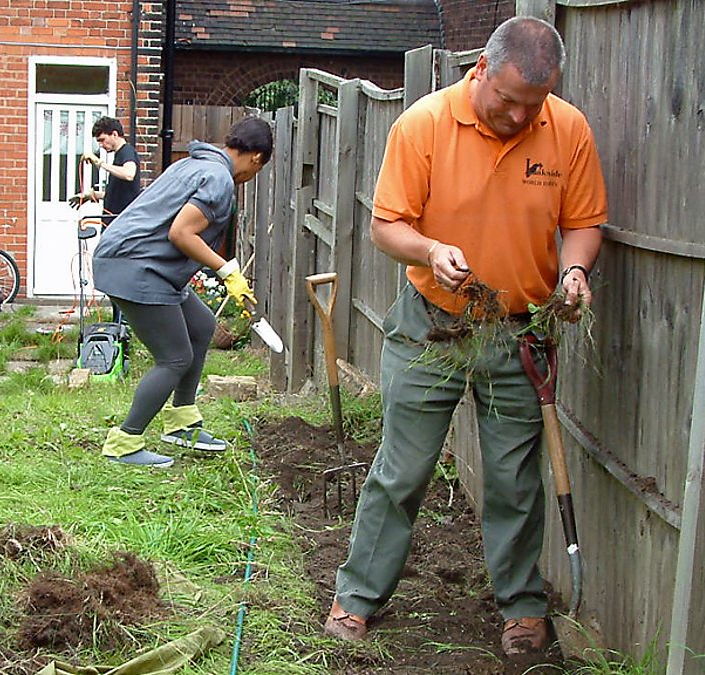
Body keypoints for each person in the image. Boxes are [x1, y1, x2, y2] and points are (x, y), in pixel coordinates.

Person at [323, 16, 607, 656]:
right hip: (433, 325)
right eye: (506, 99)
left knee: (514, 479)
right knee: (403, 468)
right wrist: (429, 248)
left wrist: (575, 269)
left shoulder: (567, 129)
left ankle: (522, 607)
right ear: (481, 67)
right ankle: (358, 595)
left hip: (521, 333)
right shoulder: (423, 124)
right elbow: (386, 225)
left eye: (531, 105)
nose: (517, 115)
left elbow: (585, 223)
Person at [87, 116, 273, 468]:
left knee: (201, 326)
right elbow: (181, 233)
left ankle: (182, 422)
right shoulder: (219, 179)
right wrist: (227, 271)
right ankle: (124, 443)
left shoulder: (194, 163)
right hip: (136, 267)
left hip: (136, 261)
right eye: (257, 169)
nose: (252, 176)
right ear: (256, 158)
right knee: (174, 357)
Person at [69, 116, 143, 224]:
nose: (101, 145)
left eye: (102, 140)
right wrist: (92, 196)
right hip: (113, 223)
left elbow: (129, 173)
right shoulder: (119, 155)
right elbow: (119, 194)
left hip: (122, 224)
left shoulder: (127, 152)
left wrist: (99, 163)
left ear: (114, 134)